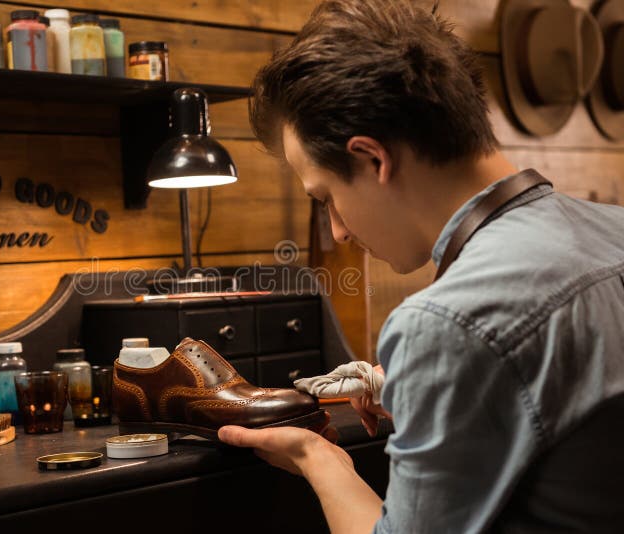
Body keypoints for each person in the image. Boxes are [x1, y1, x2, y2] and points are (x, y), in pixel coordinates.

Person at [217, 1, 624, 532]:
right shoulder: (615, 227)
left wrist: (318, 460)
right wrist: (415, 382)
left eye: (327, 197)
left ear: (373, 159)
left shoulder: (447, 323)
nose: (338, 230)